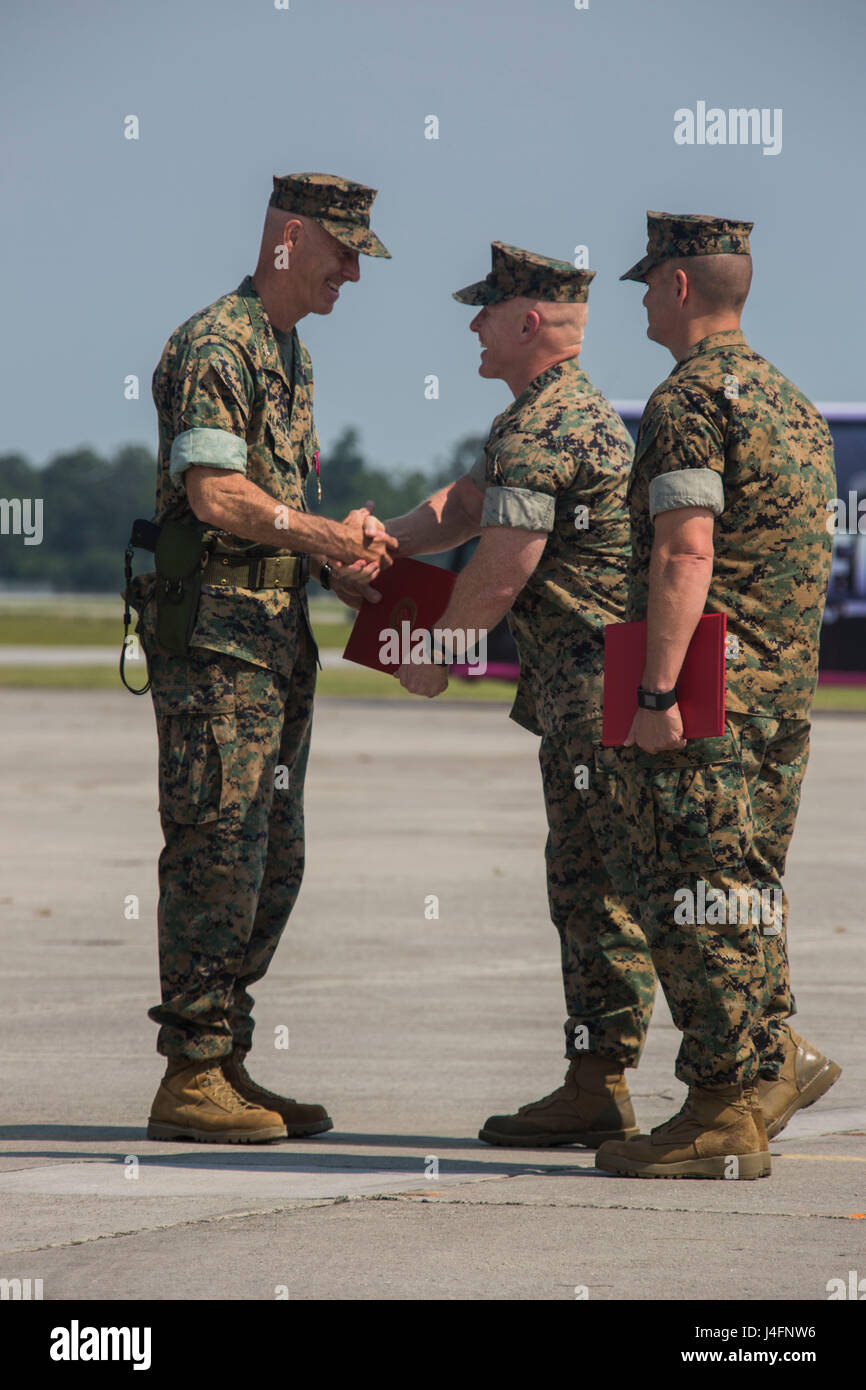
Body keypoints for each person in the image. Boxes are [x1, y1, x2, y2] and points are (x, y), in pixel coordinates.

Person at [361, 241, 650, 1148]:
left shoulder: (546, 428)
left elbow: (501, 568)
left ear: (529, 322)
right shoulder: (544, 420)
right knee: (590, 885)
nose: (472, 326)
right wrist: (379, 542)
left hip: (596, 693)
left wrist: (435, 650)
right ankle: (596, 1082)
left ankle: (752, 1058)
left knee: (618, 887)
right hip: (590, 693)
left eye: (485, 311)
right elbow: (463, 508)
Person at [134, 173, 396, 1143]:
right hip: (214, 643)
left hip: (272, 640)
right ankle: (190, 1072)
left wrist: (339, 566)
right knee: (215, 846)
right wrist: (325, 535)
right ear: (289, 237)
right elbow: (213, 495)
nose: (351, 275)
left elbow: (279, 509)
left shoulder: (290, 355)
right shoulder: (219, 344)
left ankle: (225, 1059)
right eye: (341, 252)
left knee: (268, 858)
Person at [595, 211, 841, 1180]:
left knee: (692, 893)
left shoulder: (687, 399)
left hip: (710, 693)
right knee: (742, 892)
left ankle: (718, 1109)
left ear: (680, 287)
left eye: (647, 282)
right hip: (778, 697)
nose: (643, 300)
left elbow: (683, 548)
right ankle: (765, 1065)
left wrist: (656, 690)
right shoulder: (789, 401)